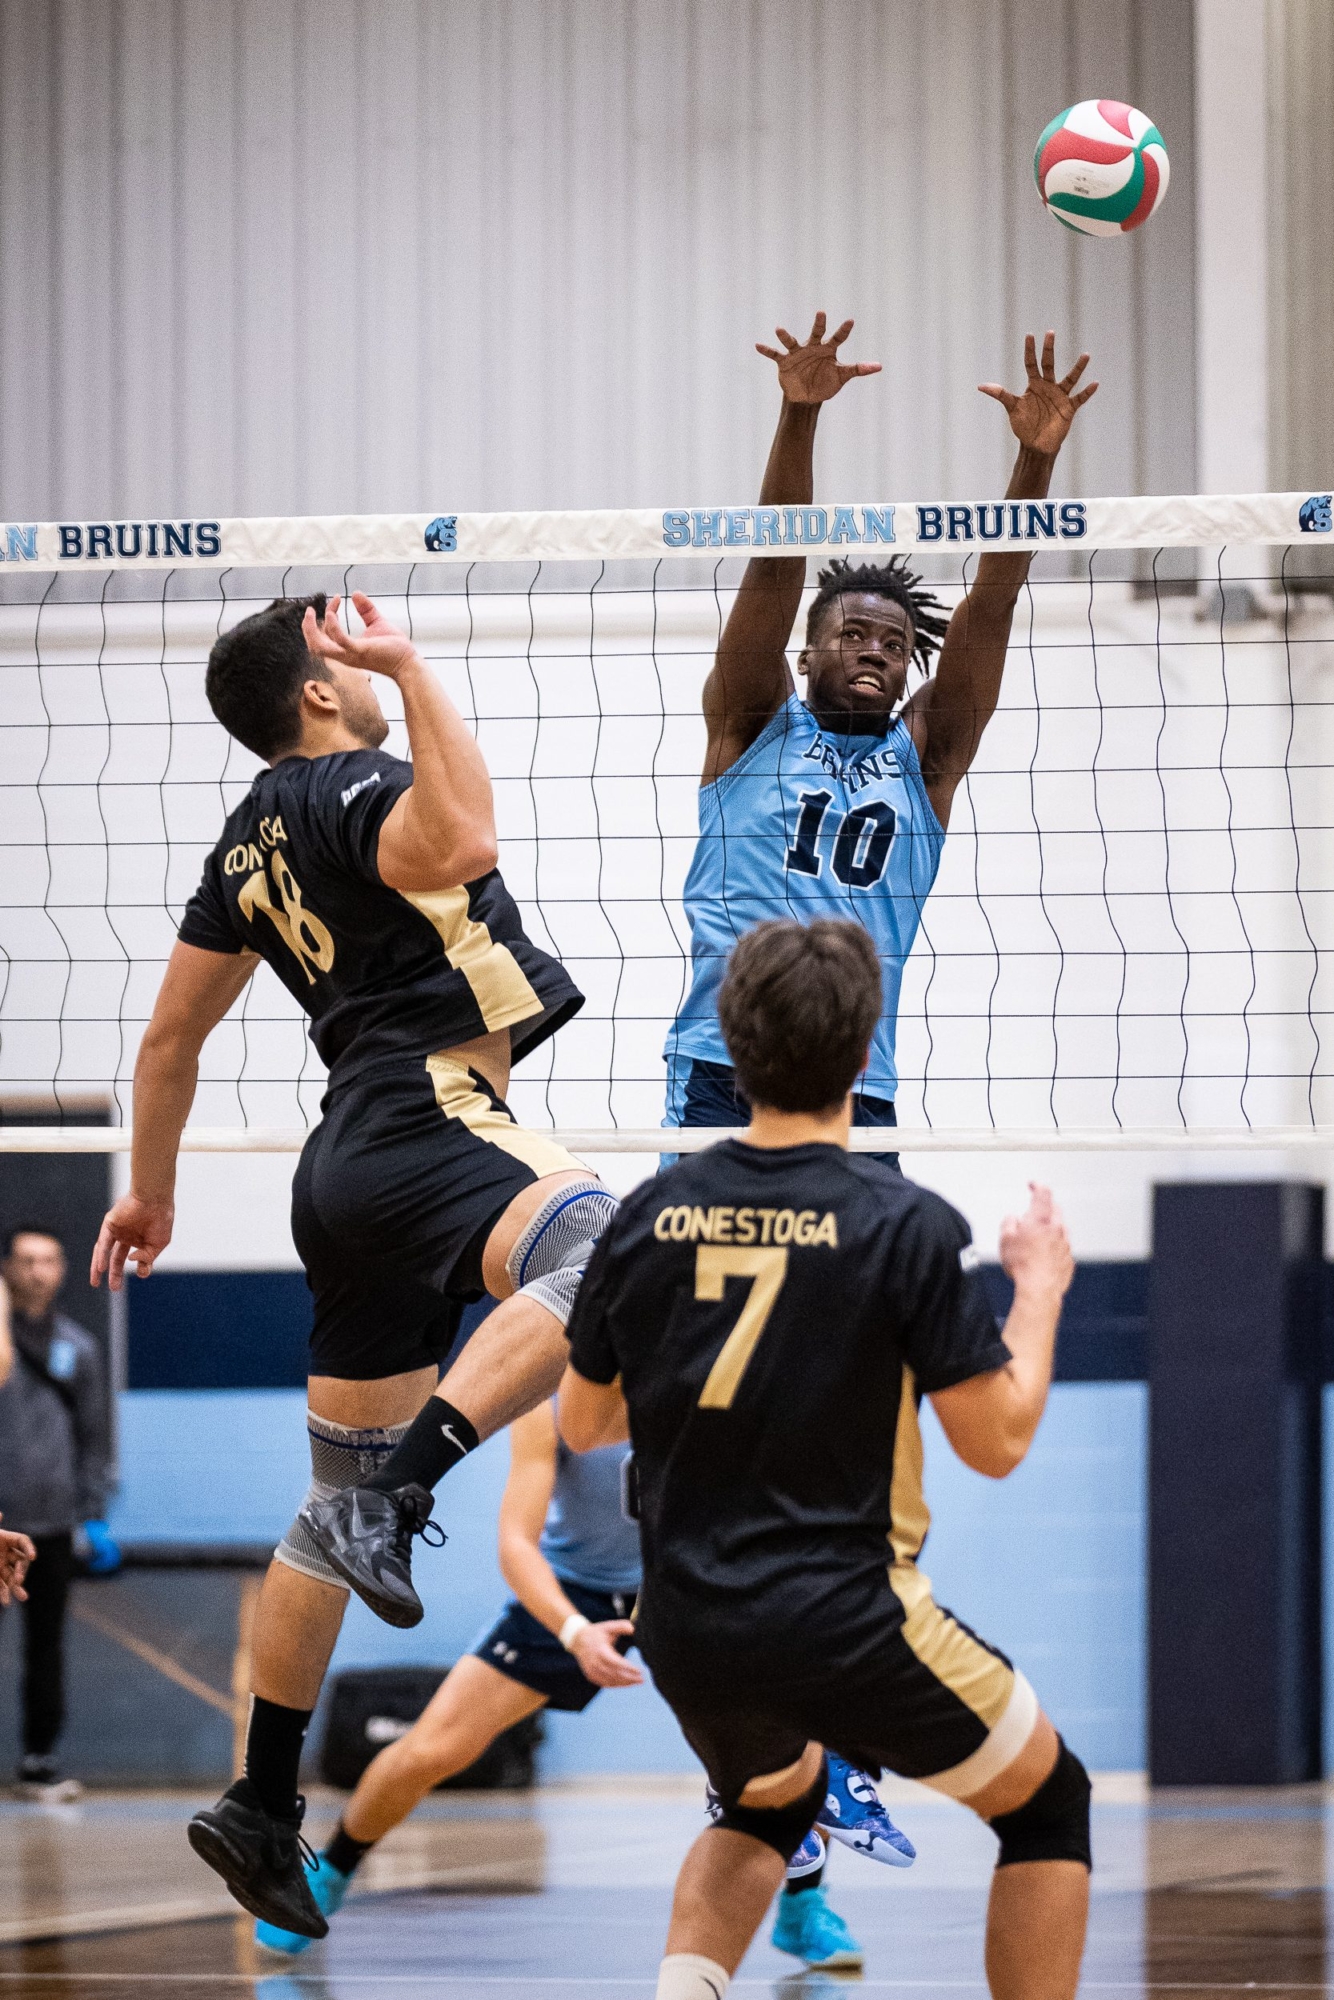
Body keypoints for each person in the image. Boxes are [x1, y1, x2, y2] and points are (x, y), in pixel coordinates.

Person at [90, 591, 621, 1938]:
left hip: (343, 1174)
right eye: (346, 660)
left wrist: (148, 1193)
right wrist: (415, 670)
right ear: (318, 690)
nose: (365, 671)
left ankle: (262, 1801)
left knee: (321, 1508)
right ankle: (410, 1491)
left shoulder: (240, 845)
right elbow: (465, 837)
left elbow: (166, 1047)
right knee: (617, 1259)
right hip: (428, 1113)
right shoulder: (354, 780)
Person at [561, 919, 1083, 2000]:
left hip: (688, 1623)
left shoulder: (646, 1214)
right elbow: (995, 1443)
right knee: (1046, 1800)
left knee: (766, 1799)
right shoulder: (901, 1225)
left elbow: (581, 1422)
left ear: (729, 1040)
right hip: (844, 1618)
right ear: (863, 1050)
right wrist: (1037, 1289)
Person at [254, 1401, 910, 1968]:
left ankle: (804, 1906)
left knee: (787, 1737)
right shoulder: (555, 1399)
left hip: (689, 1586)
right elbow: (516, 1541)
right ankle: (332, 1871)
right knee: (434, 1748)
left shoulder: (706, 1367)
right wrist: (571, 1631)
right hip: (578, 1591)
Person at [665, 314, 1098, 1146]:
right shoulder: (753, 721)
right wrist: (800, 413)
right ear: (805, 655)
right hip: (723, 1063)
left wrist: (1035, 457)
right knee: (698, 1276)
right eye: (853, 635)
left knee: (855, 1278)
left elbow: (992, 604)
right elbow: (773, 565)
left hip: (856, 1074)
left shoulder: (926, 756)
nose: (876, 652)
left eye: (895, 645)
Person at [0, 1225, 115, 1802]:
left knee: (46, 1645)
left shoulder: (78, 1348)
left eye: (49, 1259)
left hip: (50, 1526)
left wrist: (91, 1514)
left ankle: (39, 1759)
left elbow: (94, 1437)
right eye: (26, 1260)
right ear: (7, 1269)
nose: (38, 1271)